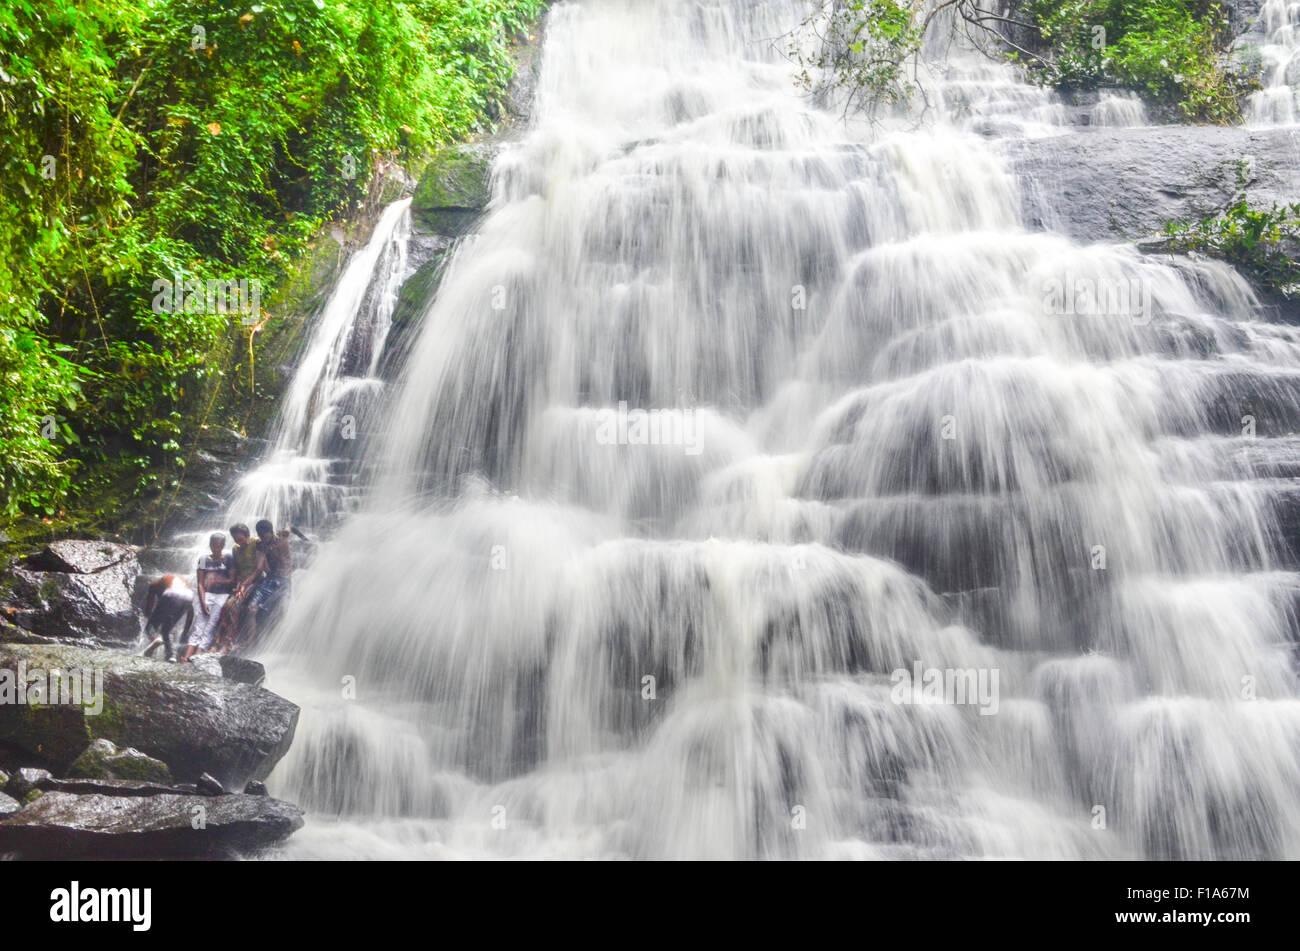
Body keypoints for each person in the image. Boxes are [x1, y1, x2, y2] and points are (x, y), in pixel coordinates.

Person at [239, 519, 293, 644]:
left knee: (283, 609)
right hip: (270, 579)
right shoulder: (261, 545)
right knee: (252, 608)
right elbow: (259, 567)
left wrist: (287, 529)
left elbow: (289, 525)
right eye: (259, 535)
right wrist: (245, 584)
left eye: (264, 535)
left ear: (271, 532)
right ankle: (251, 641)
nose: (261, 537)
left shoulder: (281, 538)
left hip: (284, 580)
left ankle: (278, 642)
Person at [185, 532, 234, 663]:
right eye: (213, 545)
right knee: (199, 626)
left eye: (218, 546)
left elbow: (232, 580)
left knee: (210, 626)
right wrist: (202, 601)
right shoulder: (203, 560)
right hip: (207, 595)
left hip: (222, 596)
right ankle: (186, 656)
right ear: (210, 545)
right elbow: (200, 583)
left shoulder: (228, 558)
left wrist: (217, 580)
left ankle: (197, 656)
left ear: (223, 545)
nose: (215, 548)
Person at [214, 523, 259, 653]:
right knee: (226, 605)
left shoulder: (256, 543)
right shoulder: (235, 549)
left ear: (247, 535)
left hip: (255, 581)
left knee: (234, 606)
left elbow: (259, 568)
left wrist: (246, 584)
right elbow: (238, 570)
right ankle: (221, 639)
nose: (238, 542)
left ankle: (235, 640)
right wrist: (239, 584)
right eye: (235, 539)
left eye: (240, 539)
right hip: (242, 582)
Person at [142, 574, 194, 663]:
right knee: (166, 630)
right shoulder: (182, 583)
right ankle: (171, 656)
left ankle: (155, 639)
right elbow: (190, 613)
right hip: (189, 596)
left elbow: (149, 605)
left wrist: (150, 619)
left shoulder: (155, 584)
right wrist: (186, 631)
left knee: (149, 628)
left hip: (171, 594)